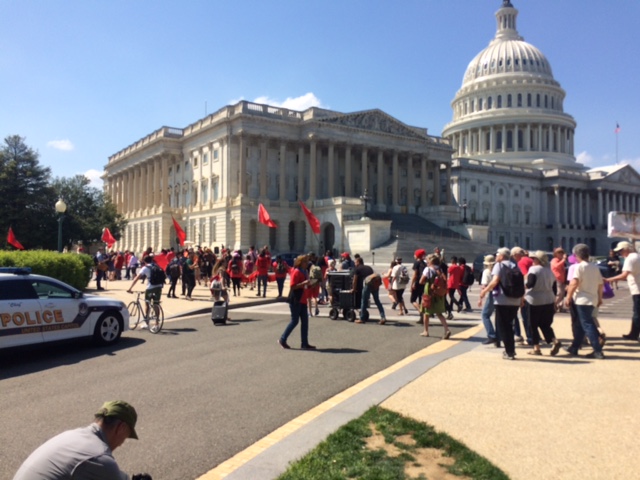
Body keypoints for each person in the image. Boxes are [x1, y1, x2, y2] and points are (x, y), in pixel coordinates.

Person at [13, 400, 151, 480]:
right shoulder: (99, 457)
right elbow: (104, 469)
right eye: (126, 437)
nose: (121, 444)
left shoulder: (70, 436)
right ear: (121, 428)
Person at [479, 247, 522, 360]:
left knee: (504, 326)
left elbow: (495, 281)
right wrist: (522, 299)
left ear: (502, 256)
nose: (496, 256)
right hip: (515, 300)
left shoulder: (499, 265)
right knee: (510, 325)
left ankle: (509, 352)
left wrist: (484, 290)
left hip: (502, 300)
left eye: (497, 255)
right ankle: (511, 349)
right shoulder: (515, 265)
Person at [564, 243, 604, 359]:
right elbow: (600, 284)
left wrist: (568, 296)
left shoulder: (579, 267)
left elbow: (574, 283)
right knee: (581, 324)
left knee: (587, 324)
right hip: (592, 298)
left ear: (576, 255)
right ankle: (574, 347)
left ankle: (597, 350)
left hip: (582, 299)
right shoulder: (594, 267)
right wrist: (600, 298)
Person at [525, 250, 562, 356]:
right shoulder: (550, 271)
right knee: (545, 324)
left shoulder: (533, 269)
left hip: (534, 299)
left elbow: (530, 283)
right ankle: (554, 340)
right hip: (549, 299)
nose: (532, 260)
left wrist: (523, 288)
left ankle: (536, 347)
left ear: (538, 260)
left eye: (534, 258)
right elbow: (554, 288)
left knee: (533, 325)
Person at [604, 241, 640, 340]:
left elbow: (624, 274)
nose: (619, 254)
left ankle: (634, 334)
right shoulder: (637, 256)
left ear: (626, 250)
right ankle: (634, 333)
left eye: (620, 251)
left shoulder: (630, 258)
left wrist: (608, 280)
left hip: (637, 289)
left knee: (637, 313)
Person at [279, 255, 316, 350]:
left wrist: (310, 284)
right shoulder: (296, 271)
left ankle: (304, 343)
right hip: (296, 299)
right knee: (294, 321)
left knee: (305, 322)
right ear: (300, 263)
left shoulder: (305, 272)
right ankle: (282, 339)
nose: (307, 263)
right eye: (305, 262)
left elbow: (305, 285)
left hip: (303, 299)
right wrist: (304, 283)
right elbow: (293, 286)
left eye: (307, 261)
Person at [127, 255, 165, 330]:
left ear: (144, 261)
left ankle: (147, 323)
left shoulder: (145, 268)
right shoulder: (157, 266)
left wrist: (130, 288)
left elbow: (137, 278)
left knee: (147, 304)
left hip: (150, 288)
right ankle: (157, 324)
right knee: (156, 304)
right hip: (159, 287)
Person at [419, 254, 452, 339]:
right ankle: (446, 329)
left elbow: (421, 281)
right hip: (438, 293)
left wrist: (427, 281)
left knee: (426, 312)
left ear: (430, 261)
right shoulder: (439, 269)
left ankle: (426, 331)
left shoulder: (428, 269)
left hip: (429, 292)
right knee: (439, 313)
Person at [352, 257, 386, 324]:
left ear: (358, 262)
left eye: (355, 262)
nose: (355, 264)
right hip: (375, 284)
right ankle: (383, 317)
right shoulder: (369, 267)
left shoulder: (357, 269)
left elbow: (355, 280)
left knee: (364, 301)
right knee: (377, 301)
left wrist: (353, 289)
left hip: (368, 285)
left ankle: (362, 318)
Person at [478, 255, 498, 345]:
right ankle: (498, 338)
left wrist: (480, 298)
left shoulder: (487, 271)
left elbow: (484, 286)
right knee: (498, 317)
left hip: (491, 293)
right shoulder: (498, 269)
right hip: (500, 294)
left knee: (485, 315)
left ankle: (491, 335)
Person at [410, 249, 427, 323]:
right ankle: (421, 319)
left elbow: (415, 274)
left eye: (415, 254)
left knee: (412, 300)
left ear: (417, 255)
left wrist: (412, 284)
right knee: (421, 300)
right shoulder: (424, 263)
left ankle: (420, 311)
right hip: (423, 283)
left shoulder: (417, 263)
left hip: (417, 283)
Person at [550, 247, 568, 313]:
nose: (561, 254)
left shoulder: (562, 261)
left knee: (563, 294)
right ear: (556, 254)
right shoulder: (554, 260)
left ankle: (560, 307)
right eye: (559, 253)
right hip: (557, 278)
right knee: (560, 293)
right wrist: (563, 260)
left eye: (562, 253)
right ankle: (553, 305)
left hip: (562, 279)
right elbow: (556, 266)